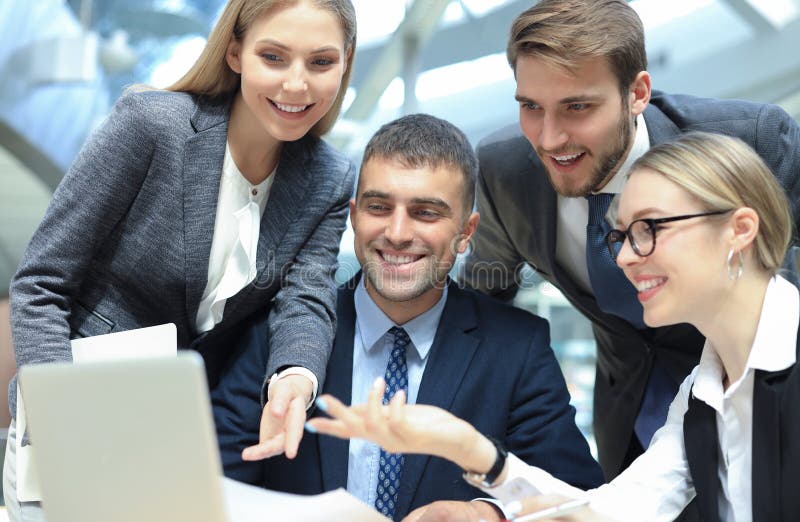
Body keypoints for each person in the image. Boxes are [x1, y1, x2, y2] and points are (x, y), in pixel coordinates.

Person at [309, 131, 800, 522]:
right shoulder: (704, 389)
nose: (625, 258)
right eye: (621, 235)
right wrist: (471, 450)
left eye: (650, 229)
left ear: (739, 229)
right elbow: (613, 513)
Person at [3, 0, 356, 518]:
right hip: (72, 421)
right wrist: (62, 417)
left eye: (321, 62)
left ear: (346, 61)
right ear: (234, 51)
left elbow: (305, 295)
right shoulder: (153, 126)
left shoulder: (329, 176)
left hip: (174, 441)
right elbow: (40, 283)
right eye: (274, 57)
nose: (297, 85)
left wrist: (294, 378)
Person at [461, 0, 800, 483]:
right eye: (530, 107)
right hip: (632, 427)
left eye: (578, 106)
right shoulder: (505, 172)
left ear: (637, 92)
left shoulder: (753, 142)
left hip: (768, 400)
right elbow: (486, 311)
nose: (550, 138)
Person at [213, 114, 603, 520]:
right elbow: (212, 486)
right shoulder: (279, 333)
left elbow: (577, 496)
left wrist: (491, 513)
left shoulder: (517, 348)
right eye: (379, 207)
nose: (397, 233)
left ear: (467, 233)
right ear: (353, 216)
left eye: (425, 213)